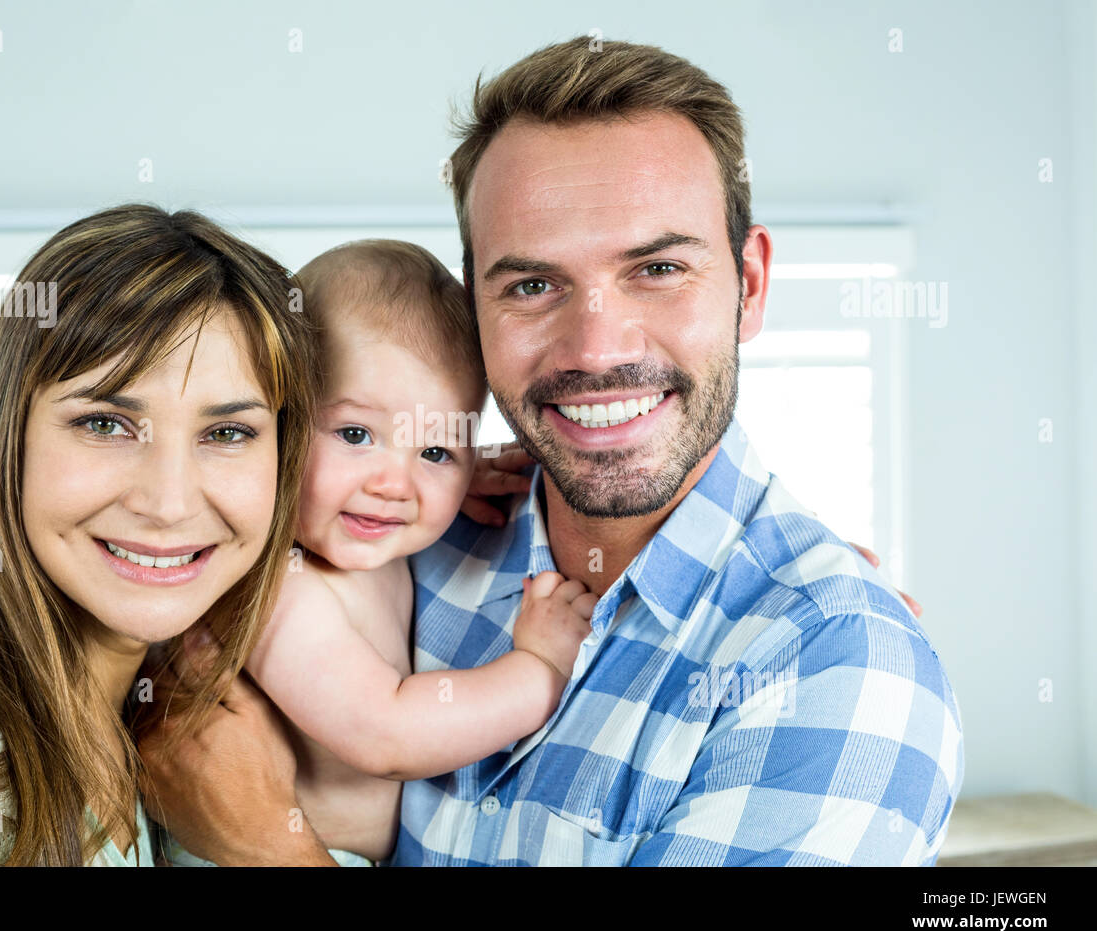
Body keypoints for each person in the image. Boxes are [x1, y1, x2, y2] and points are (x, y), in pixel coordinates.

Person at [141, 37, 965, 867]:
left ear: (748, 285)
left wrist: (262, 841)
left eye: (658, 268)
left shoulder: (832, 667)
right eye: (532, 285)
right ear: (477, 318)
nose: (596, 350)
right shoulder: (417, 523)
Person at [0, 204, 321, 865]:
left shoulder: (149, 715)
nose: (167, 502)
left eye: (226, 433)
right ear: (7, 439)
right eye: (105, 423)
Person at [159, 240, 597, 868]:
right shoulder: (278, 585)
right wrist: (537, 670)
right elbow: (385, 731)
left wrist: (455, 474)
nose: (393, 485)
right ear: (276, 422)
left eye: (435, 450)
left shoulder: (376, 527)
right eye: (356, 435)